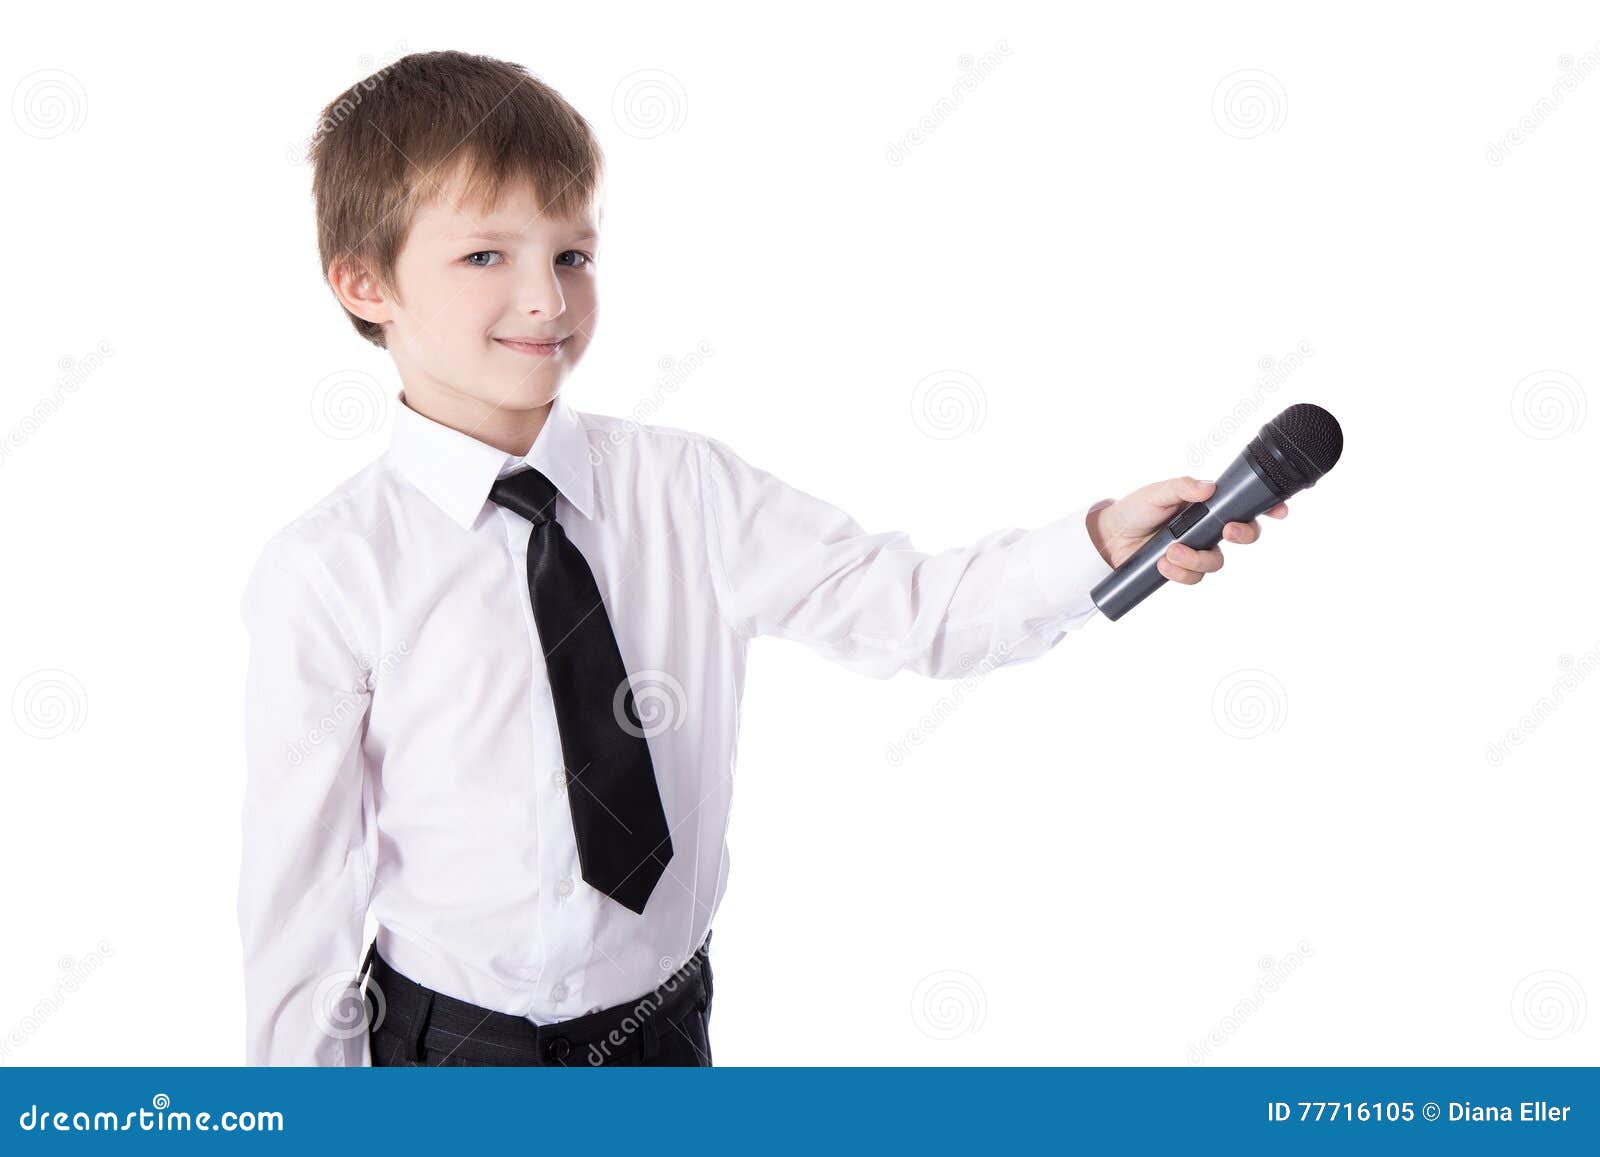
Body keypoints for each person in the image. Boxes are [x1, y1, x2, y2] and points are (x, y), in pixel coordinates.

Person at [238, 49, 1288, 1067]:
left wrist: (1095, 543)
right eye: (484, 257)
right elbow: (302, 888)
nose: (547, 299)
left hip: (657, 1034)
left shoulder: (686, 493)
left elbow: (908, 607)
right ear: (365, 282)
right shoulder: (330, 568)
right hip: (446, 1050)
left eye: (572, 255)